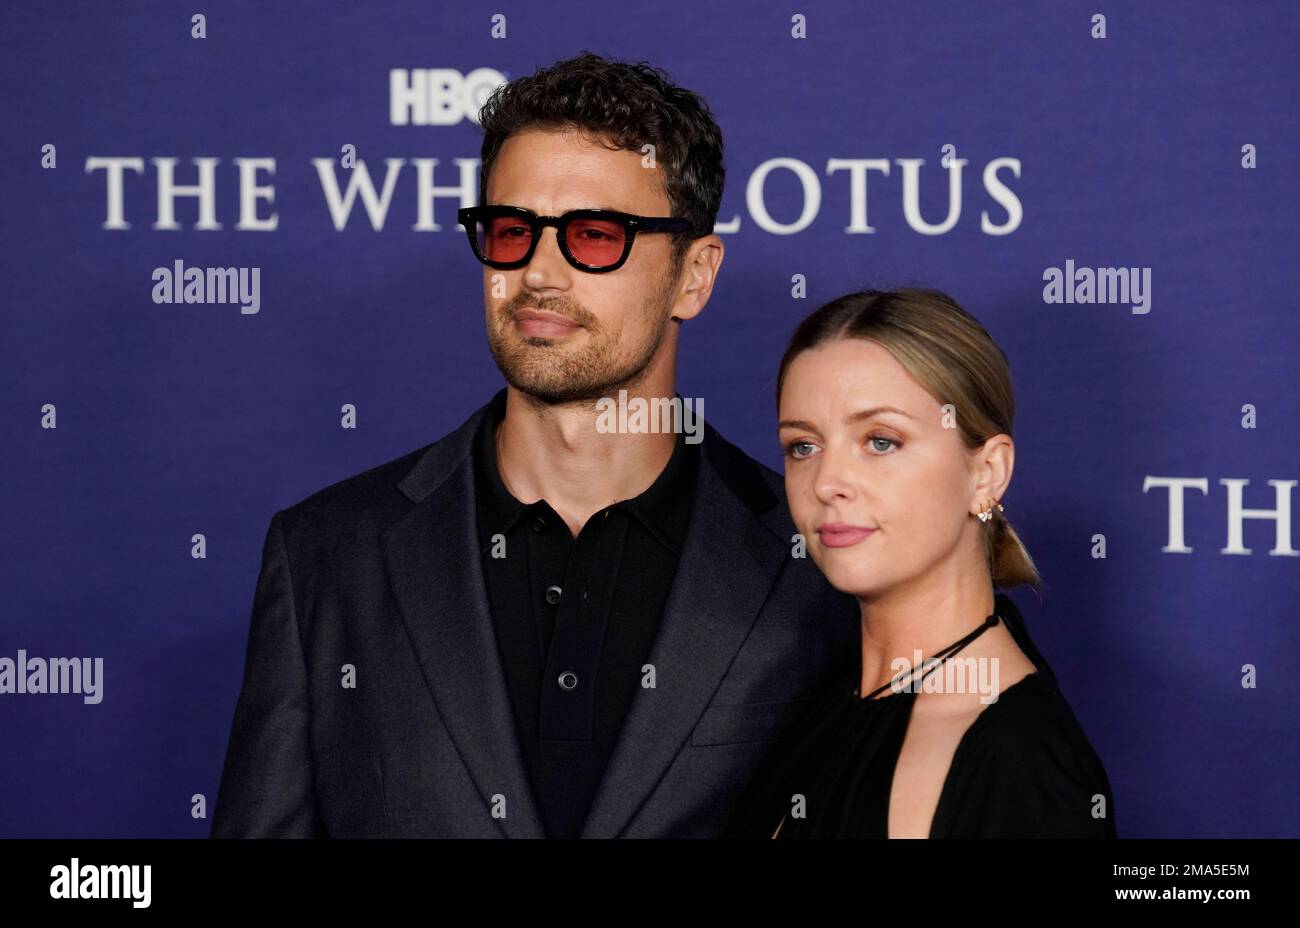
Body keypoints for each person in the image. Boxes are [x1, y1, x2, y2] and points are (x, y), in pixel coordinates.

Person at [209, 52, 859, 838]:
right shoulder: (328, 556)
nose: (537, 273)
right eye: (512, 231)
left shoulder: (817, 564)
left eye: (594, 236)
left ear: (694, 275)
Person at [723, 289, 1117, 838]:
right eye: (803, 447)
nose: (828, 482)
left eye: (880, 442)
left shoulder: (1014, 765)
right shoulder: (822, 700)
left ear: (986, 474)